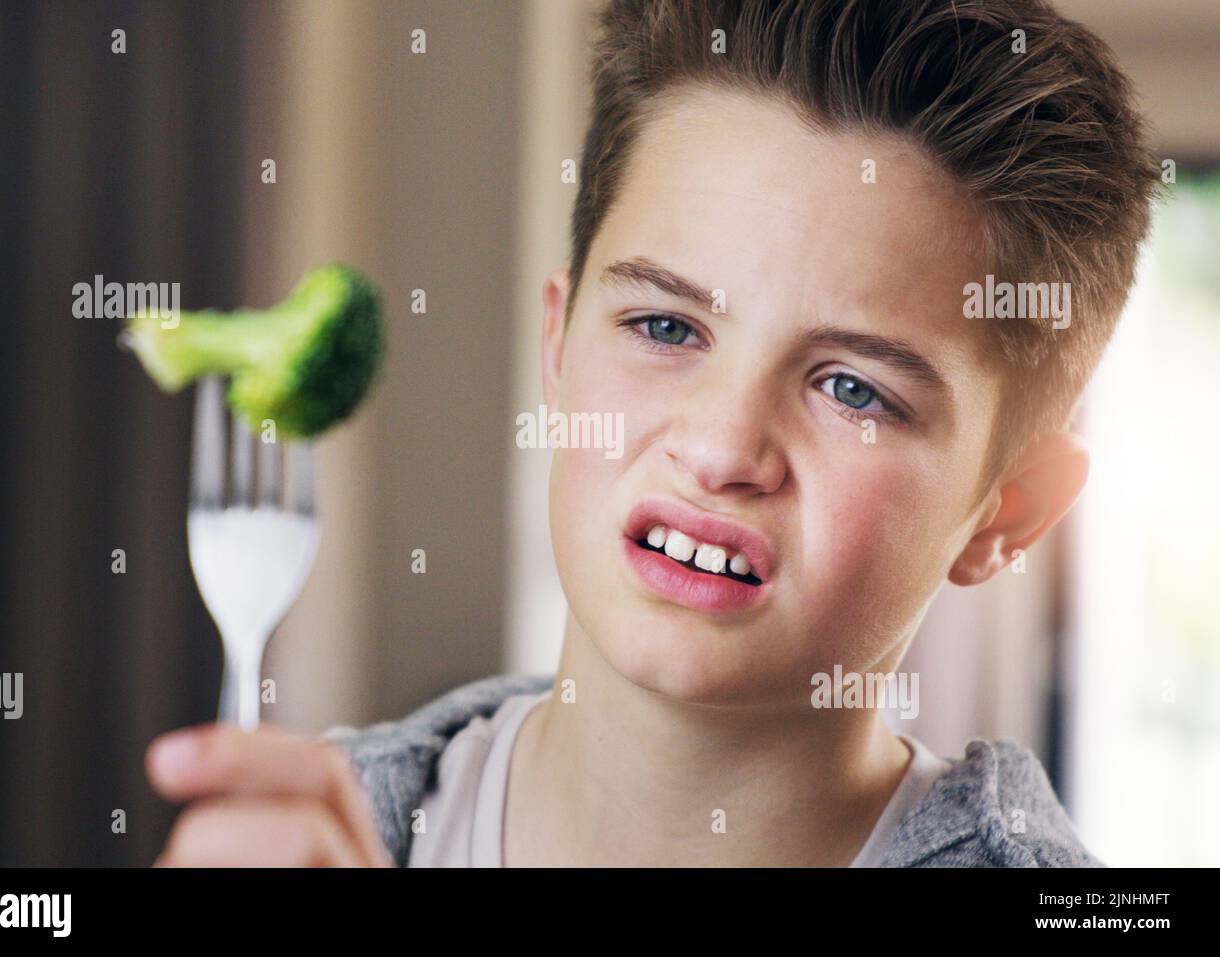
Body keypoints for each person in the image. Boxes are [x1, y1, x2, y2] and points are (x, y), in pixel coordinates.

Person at [145, 0, 1158, 867]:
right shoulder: (315, 832)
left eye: (852, 390)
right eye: (665, 327)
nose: (721, 451)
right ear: (557, 343)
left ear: (1007, 511)